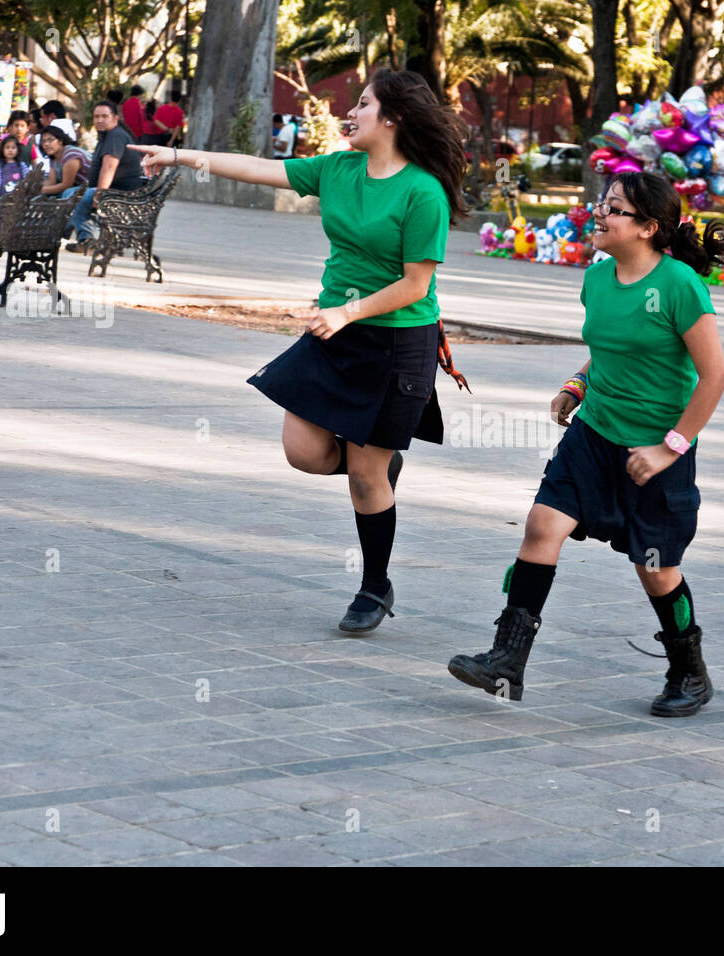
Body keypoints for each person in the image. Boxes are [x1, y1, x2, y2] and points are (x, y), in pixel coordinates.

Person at [128, 68, 470, 633]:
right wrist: (181, 156)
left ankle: (374, 585)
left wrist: (348, 311)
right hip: (335, 332)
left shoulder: (422, 192)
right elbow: (260, 169)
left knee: (365, 476)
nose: (350, 112)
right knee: (304, 452)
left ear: (393, 119)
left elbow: (415, 285)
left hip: (394, 339)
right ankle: (381, 471)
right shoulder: (338, 169)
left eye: (363, 104)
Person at [447, 172, 724, 716]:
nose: (599, 214)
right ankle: (508, 660)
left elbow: (714, 376)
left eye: (615, 209)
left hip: (656, 450)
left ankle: (689, 672)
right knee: (542, 524)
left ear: (649, 227)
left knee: (656, 569)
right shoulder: (598, 279)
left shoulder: (679, 286)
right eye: (601, 204)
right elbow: (610, 348)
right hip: (594, 433)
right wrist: (578, 384)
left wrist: (670, 447)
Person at [66, 101, 148, 252]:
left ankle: (87, 239)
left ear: (115, 118)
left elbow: (109, 167)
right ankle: (78, 234)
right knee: (68, 193)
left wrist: (100, 195)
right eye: (97, 117)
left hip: (119, 194)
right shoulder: (109, 135)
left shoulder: (115, 137)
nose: (100, 120)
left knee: (76, 197)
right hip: (114, 191)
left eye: (105, 116)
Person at [38, 121, 90, 198]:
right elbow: (52, 181)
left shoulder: (71, 154)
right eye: (43, 141)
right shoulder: (54, 157)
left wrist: (39, 190)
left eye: (50, 140)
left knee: (65, 194)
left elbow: (66, 185)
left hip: (94, 187)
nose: (46, 144)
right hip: (78, 189)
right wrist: (34, 188)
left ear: (60, 141)